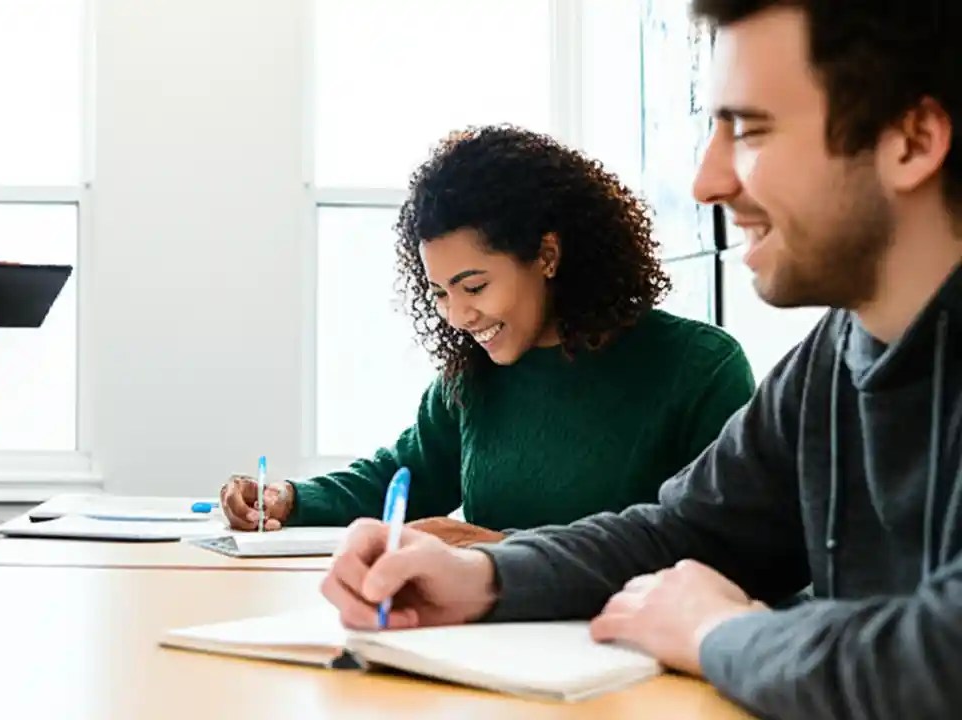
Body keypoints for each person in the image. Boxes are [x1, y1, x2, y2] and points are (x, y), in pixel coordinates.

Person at [320, 2, 962, 719]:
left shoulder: (702, 361)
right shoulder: (834, 359)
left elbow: (942, 657)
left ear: (912, 139)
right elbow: (678, 529)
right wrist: (479, 576)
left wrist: (720, 631)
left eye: (749, 130)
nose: (707, 182)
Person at [221, 126, 755, 546]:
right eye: (439, 294)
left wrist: (501, 551)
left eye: (473, 285)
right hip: (484, 645)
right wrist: (287, 499)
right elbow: (399, 476)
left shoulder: (697, 369)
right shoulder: (473, 382)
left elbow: (714, 546)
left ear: (547, 255)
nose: (457, 316)